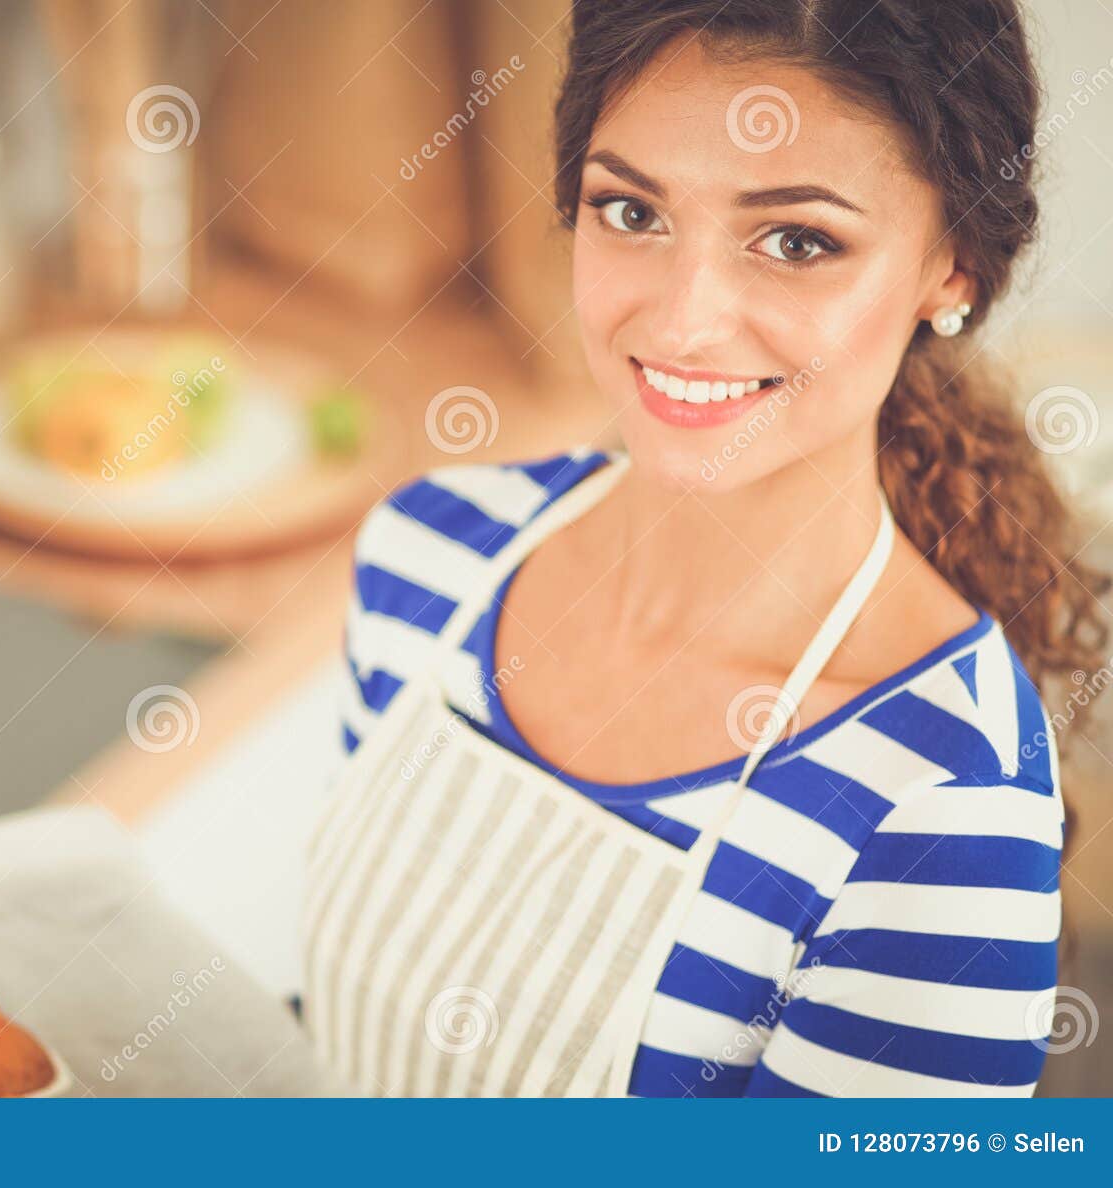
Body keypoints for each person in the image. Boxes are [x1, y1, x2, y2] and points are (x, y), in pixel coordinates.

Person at [304, 0, 1110, 1097]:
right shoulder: (428, 556)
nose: (682, 323)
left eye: (796, 241)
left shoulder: (943, 807)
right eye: (632, 212)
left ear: (951, 267)